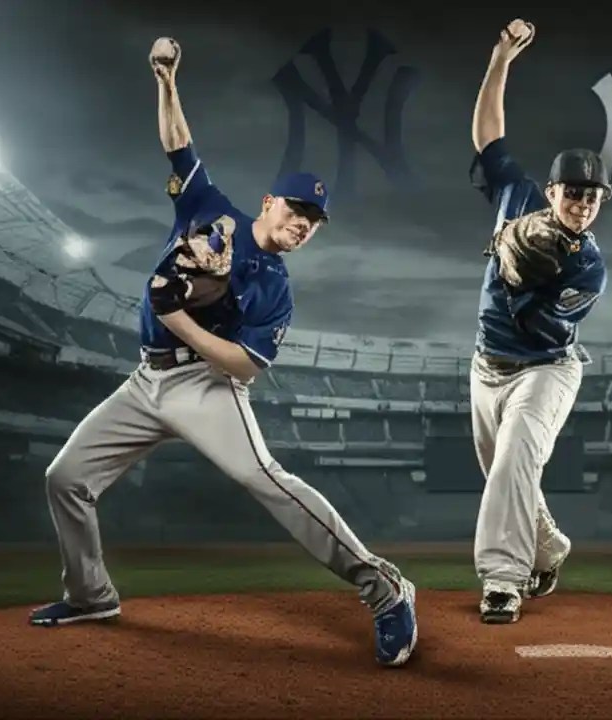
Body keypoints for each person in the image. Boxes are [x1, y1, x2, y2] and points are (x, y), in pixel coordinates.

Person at [27, 37, 418, 668]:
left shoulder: (276, 289)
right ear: (270, 202)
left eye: (315, 222)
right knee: (65, 478)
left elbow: (242, 365)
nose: (304, 225)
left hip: (206, 385)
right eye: (298, 210)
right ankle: (90, 594)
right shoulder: (209, 207)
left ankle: (385, 588)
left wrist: (177, 317)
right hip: (144, 381)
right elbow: (179, 142)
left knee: (265, 480)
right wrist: (166, 78)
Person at [466, 18, 610, 624]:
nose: (580, 204)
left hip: (545, 368)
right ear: (549, 191)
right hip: (484, 365)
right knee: (503, 473)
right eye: (571, 192)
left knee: (515, 457)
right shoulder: (515, 196)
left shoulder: (590, 268)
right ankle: (548, 547)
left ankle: (503, 581)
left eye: (591, 196)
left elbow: (539, 325)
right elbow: (487, 139)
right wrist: (500, 59)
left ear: (602, 201)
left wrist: (520, 272)